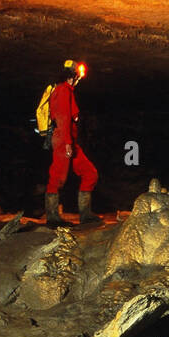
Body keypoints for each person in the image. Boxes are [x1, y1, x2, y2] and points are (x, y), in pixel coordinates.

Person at [37, 59, 101, 226]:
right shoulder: (62, 91)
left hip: (70, 140)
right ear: (71, 76)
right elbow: (63, 118)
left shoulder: (67, 90)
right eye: (76, 75)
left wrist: (70, 142)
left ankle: (85, 214)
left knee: (90, 173)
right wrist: (66, 144)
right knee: (58, 177)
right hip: (62, 138)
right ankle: (52, 217)